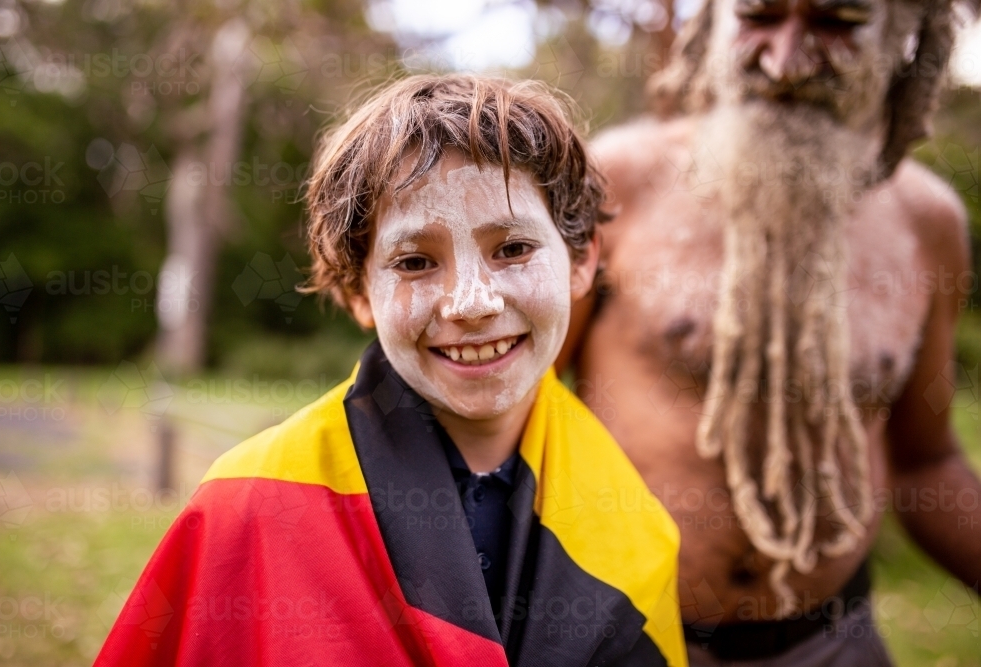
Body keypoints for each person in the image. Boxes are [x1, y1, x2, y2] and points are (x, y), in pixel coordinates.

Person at [95, 74, 687, 667]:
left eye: (512, 248)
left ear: (580, 259)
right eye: (415, 261)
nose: (472, 303)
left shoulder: (634, 528)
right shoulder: (250, 505)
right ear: (358, 291)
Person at [558, 0, 981, 664]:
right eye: (758, 17)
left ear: (898, 37)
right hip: (623, 640)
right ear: (712, 21)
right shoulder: (618, 181)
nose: (785, 62)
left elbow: (926, 460)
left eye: (837, 24)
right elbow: (504, 421)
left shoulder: (927, 222)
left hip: (831, 641)